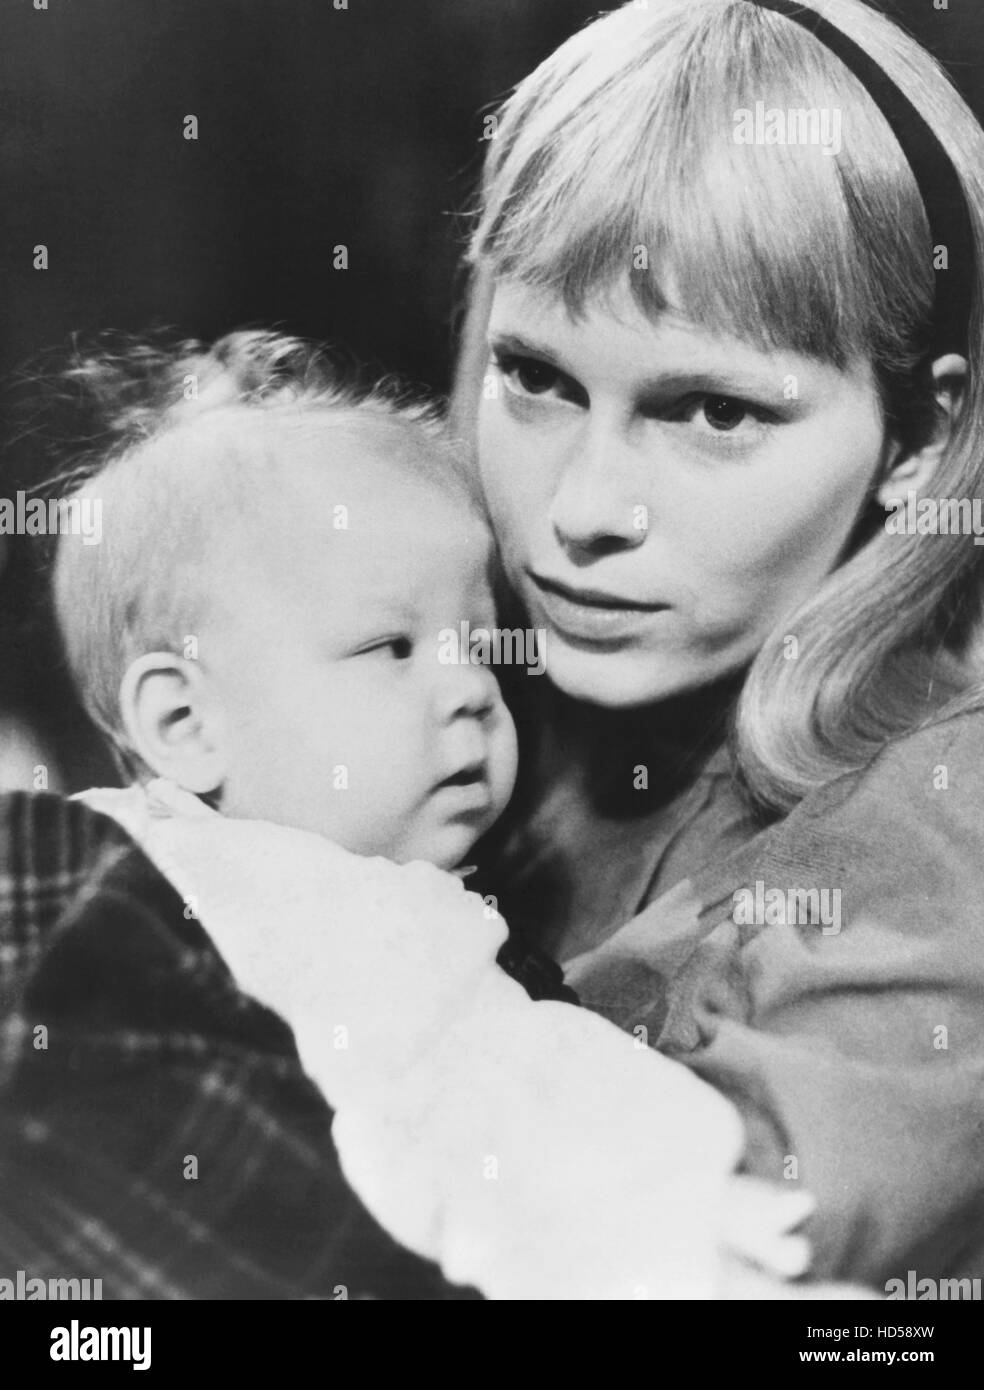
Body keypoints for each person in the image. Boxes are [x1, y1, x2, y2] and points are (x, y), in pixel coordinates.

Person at [4, 330, 816, 1300]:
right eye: (391, 646)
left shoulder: (445, 929)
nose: (472, 692)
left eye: (479, 645)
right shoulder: (129, 887)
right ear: (183, 720)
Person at [450, 0, 984, 1289]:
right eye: (536, 376)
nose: (579, 512)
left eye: (711, 410)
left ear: (919, 440)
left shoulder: (952, 828)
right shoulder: (482, 716)